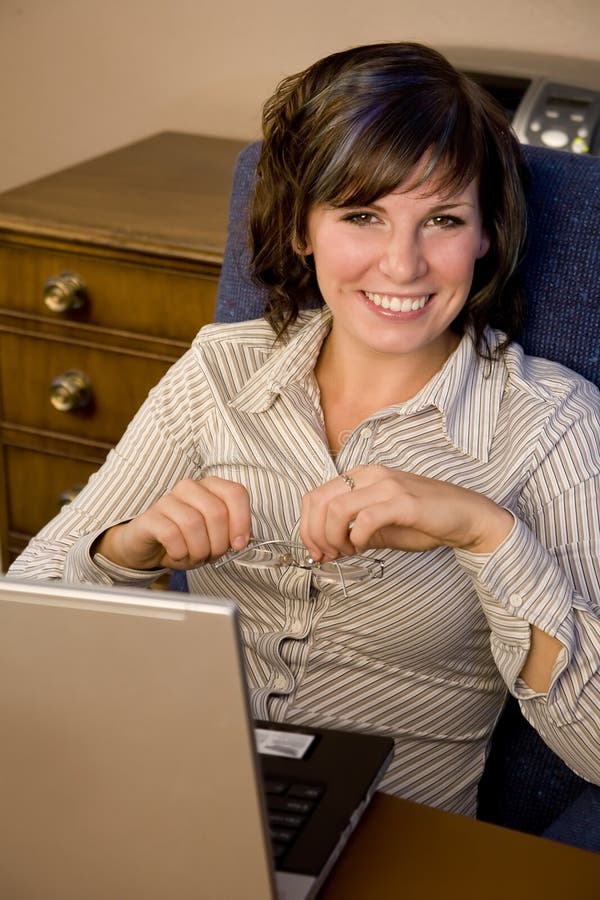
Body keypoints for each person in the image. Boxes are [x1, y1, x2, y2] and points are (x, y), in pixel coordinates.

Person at [9, 42, 600, 816]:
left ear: (485, 234)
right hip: (177, 793)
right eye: (362, 214)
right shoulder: (219, 370)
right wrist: (123, 552)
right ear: (300, 228)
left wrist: (487, 534)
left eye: (443, 220)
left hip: (396, 832)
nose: (402, 263)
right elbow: (23, 619)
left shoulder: (553, 423)